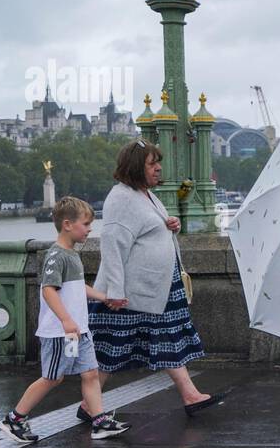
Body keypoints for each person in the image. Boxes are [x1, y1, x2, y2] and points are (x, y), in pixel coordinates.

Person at [88, 140, 222, 416]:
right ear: (136, 166)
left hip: (154, 287)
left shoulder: (144, 195)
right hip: (133, 290)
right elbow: (112, 244)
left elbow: (147, 228)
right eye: (152, 163)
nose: (159, 168)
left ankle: (190, 395)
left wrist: (171, 224)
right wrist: (114, 289)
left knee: (157, 340)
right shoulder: (122, 198)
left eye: (158, 162)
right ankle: (89, 405)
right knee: (113, 347)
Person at [0, 196, 130, 442]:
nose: (90, 228)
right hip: (61, 331)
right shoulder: (56, 256)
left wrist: (104, 297)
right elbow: (49, 289)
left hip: (79, 329)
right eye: (86, 223)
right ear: (68, 224)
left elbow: (77, 288)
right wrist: (66, 320)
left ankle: (99, 421)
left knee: (91, 373)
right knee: (52, 378)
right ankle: (14, 418)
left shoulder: (71, 254)